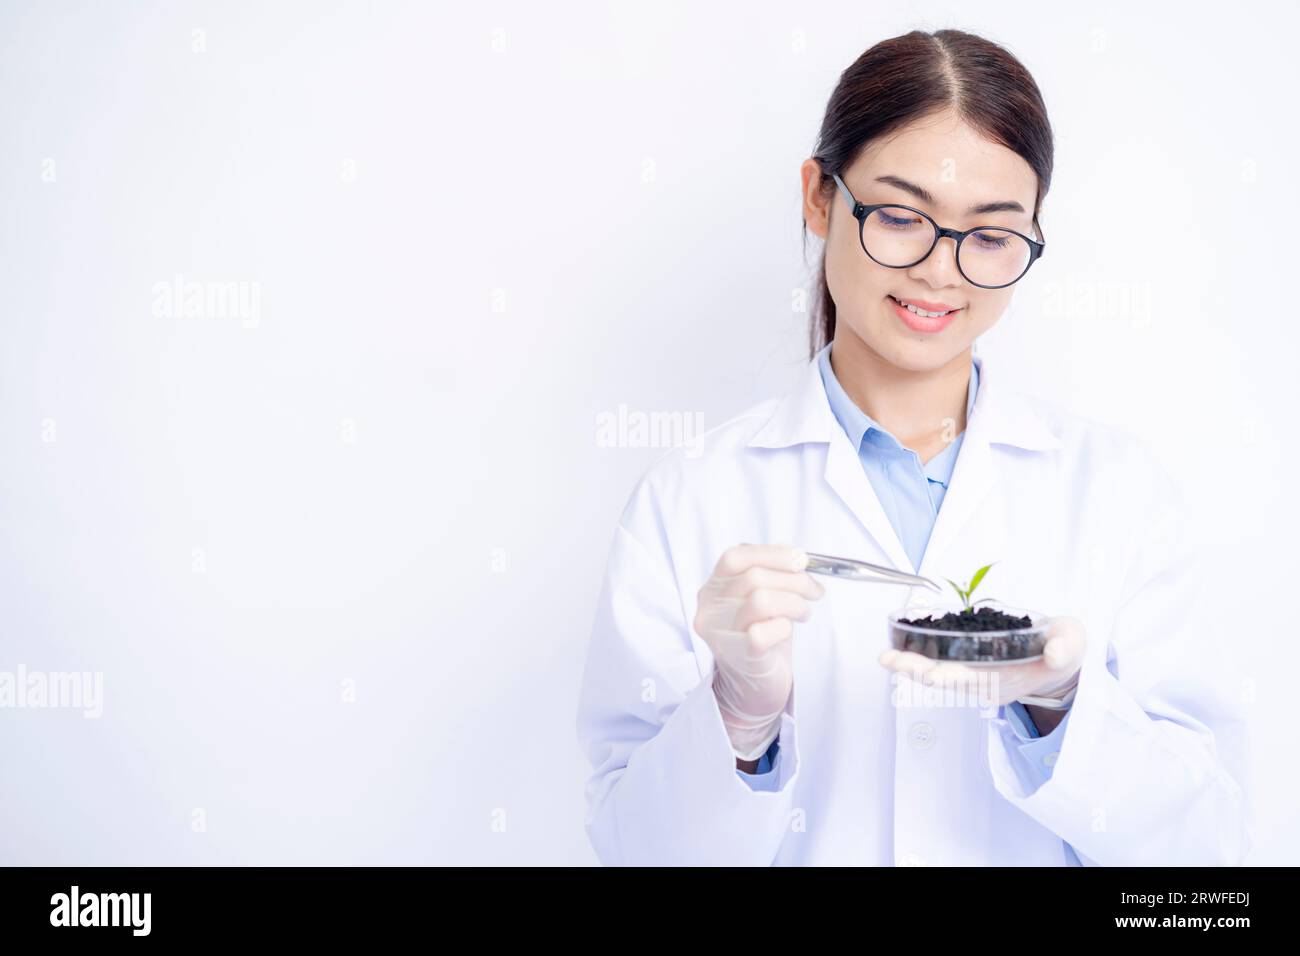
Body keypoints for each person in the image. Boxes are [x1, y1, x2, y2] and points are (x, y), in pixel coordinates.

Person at [575, 28, 1251, 866]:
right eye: (900, 217)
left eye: (992, 234)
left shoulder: (1117, 491)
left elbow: (1212, 859)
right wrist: (737, 717)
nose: (942, 272)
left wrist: (1063, 710)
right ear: (819, 198)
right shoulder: (689, 498)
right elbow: (633, 851)